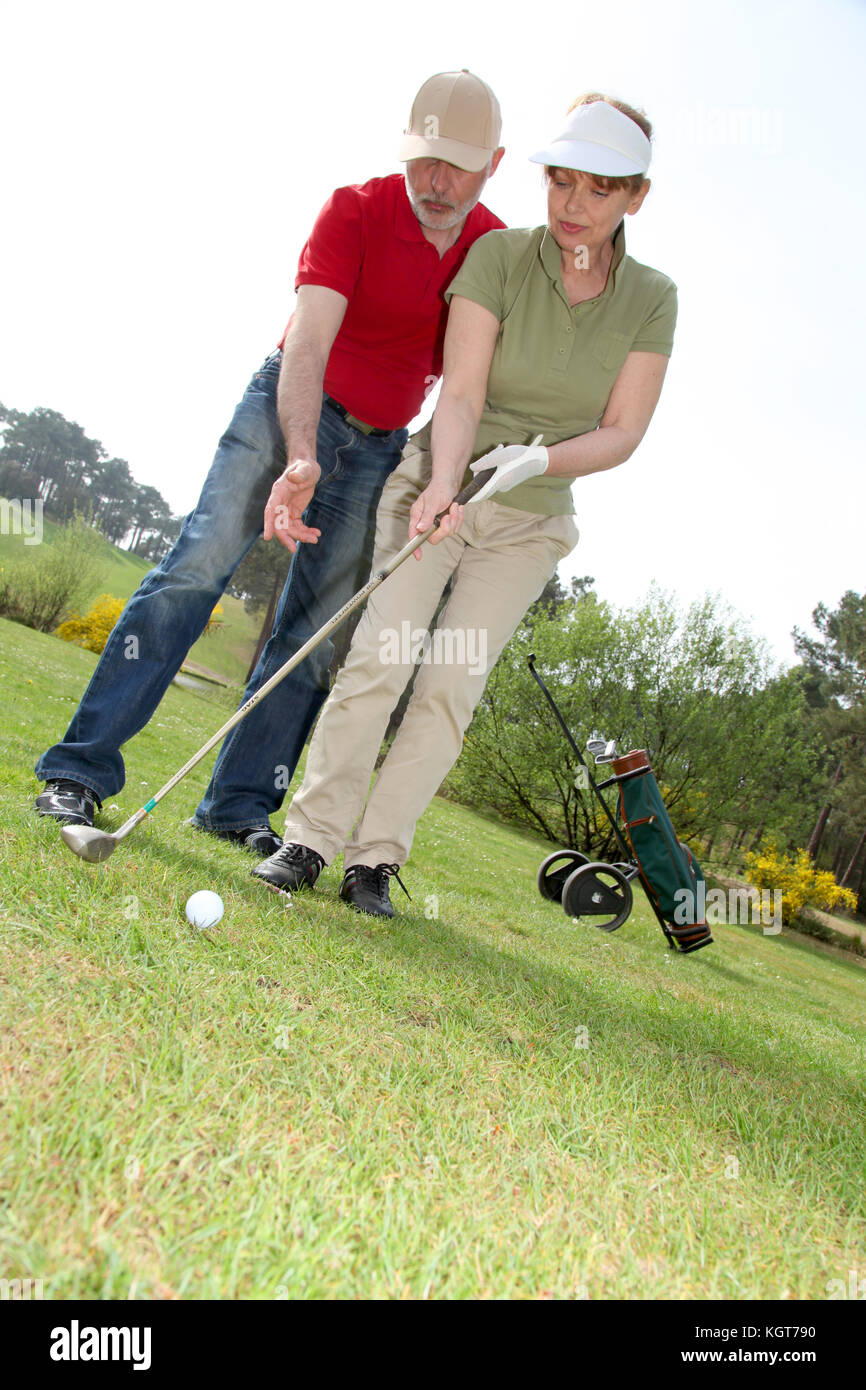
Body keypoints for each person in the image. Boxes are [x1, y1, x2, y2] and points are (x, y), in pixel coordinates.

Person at [34, 71, 505, 854]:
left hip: (381, 445)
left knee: (315, 632)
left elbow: (467, 382)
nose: (437, 181)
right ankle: (77, 772)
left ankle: (236, 805)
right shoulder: (353, 209)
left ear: (494, 162)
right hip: (289, 406)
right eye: (426, 158)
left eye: (458, 164)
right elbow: (310, 341)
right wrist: (298, 457)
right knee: (195, 569)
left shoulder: (492, 251)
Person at [252, 94, 678, 915]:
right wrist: (447, 479)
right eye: (560, 182)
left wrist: (541, 460)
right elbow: (462, 391)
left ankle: (372, 861)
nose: (573, 206)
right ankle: (308, 840)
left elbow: (624, 432)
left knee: (450, 685)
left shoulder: (652, 299)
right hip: (436, 489)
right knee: (382, 656)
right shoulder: (499, 259)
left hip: (530, 519)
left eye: (598, 189)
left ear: (636, 197)